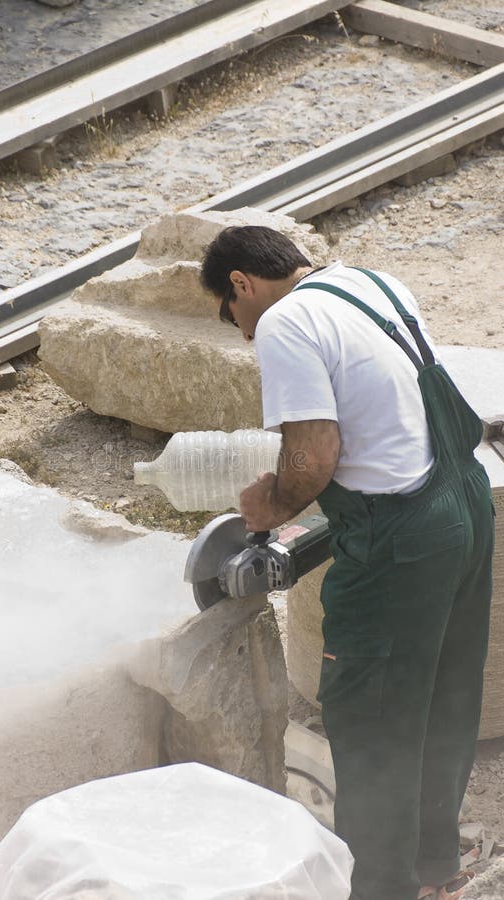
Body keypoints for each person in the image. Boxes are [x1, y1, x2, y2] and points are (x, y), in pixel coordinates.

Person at [200, 225, 494, 900]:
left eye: (231, 312)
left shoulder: (283, 322)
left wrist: (272, 503)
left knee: (370, 713)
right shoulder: (368, 281)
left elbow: (313, 454)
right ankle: (432, 863)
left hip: (399, 539)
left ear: (242, 284)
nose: (242, 332)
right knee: (442, 698)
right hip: (462, 505)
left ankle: (380, 885)